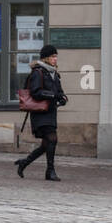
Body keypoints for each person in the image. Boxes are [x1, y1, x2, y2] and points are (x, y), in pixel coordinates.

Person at [16, 43, 67, 181]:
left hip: (50, 112)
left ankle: (24, 162)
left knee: (46, 144)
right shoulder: (38, 72)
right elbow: (35, 92)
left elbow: (59, 91)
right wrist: (53, 96)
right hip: (40, 113)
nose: (55, 59)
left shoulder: (54, 73)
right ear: (45, 58)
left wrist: (62, 97)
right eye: (53, 56)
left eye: (56, 56)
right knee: (52, 139)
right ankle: (50, 171)